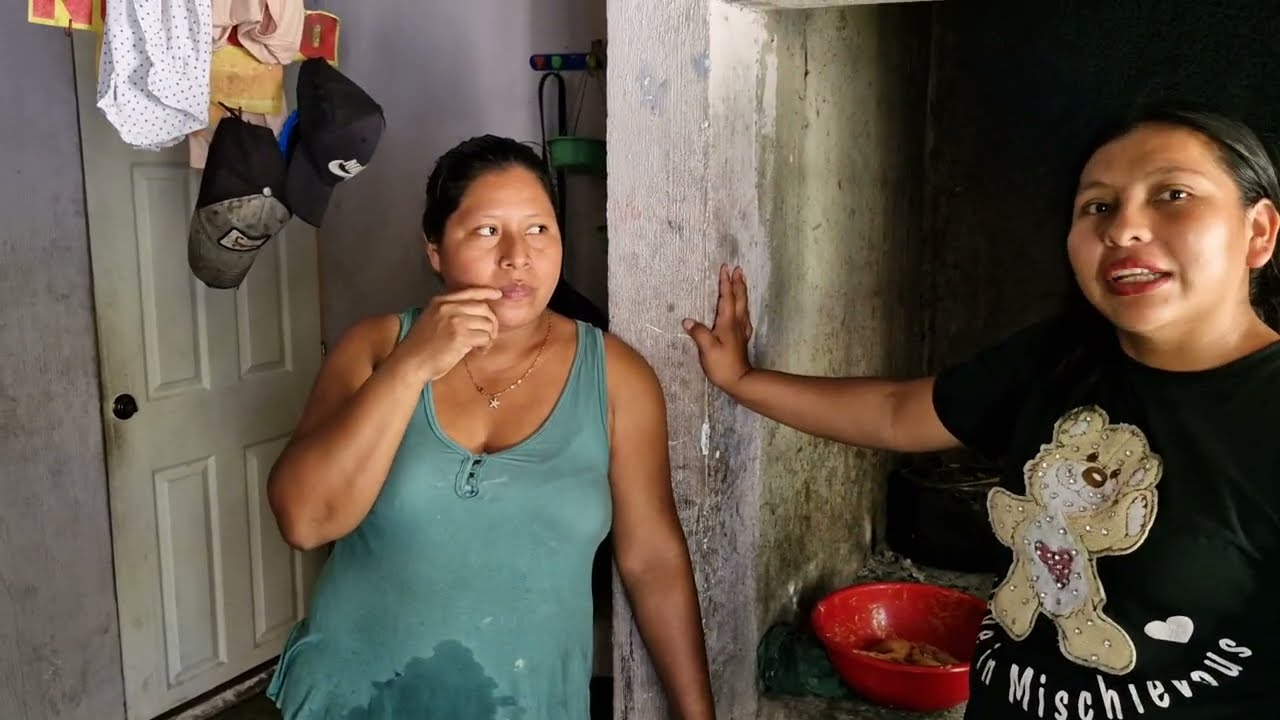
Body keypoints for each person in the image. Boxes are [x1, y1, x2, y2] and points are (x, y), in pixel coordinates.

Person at [684, 106, 1280, 718]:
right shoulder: (1057, 359)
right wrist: (742, 380)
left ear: (1257, 232)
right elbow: (896, 413)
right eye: (1097, 205)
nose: (1124, 229)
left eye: (1173, 195)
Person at [265, 134, 715, 720]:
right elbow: (304, 521)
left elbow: (652, 559)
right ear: (434, 249)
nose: (517, 256)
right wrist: (413, 366)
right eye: (485, 231)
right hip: (356, 698)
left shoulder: (616, 379)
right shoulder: (375, 349)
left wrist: (697, 713)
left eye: (538, 229)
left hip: (523, 705)